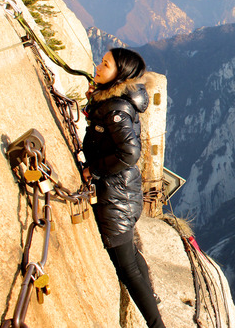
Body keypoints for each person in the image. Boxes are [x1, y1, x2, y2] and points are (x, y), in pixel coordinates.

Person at [81, 48, 165, 328]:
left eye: (106, 64)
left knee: (127, 268)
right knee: (130, 256)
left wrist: (94, 169)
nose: (98, 66)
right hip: (122, 192)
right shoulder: (112, 100)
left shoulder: (116, 107)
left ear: (121, 75)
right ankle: (153, 301)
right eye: (102, 61)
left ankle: (157, 325)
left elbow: (129, 153)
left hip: (116, 197)